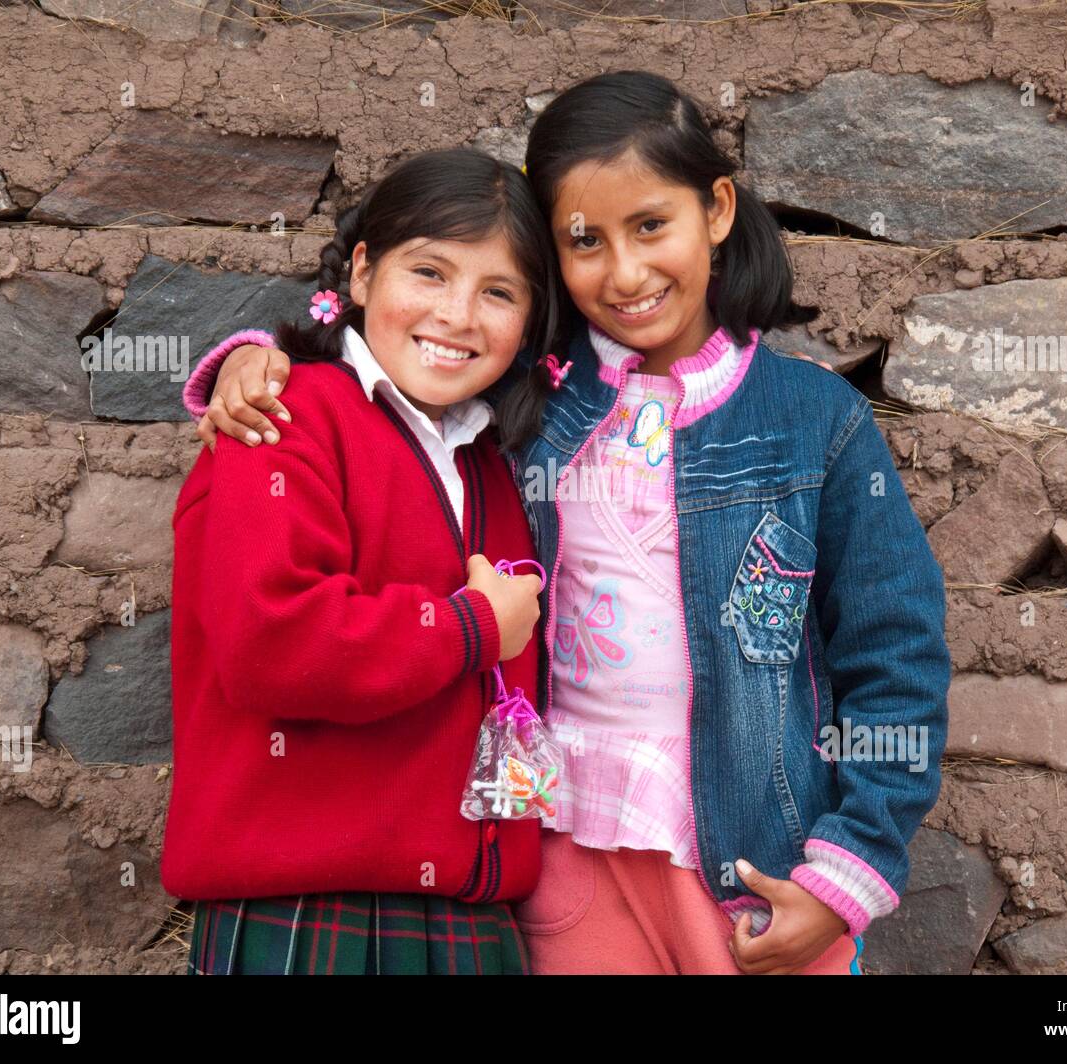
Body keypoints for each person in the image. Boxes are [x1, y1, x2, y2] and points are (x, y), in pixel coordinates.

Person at [180, 71, 950, 975]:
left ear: (718, 209)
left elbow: (895, 655)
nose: (625, 273)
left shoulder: (814, 421)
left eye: (650, 225)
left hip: (756, 875)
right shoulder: (532, 407)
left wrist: (844, 875)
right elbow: (397, 369)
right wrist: (256, 360)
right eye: (584, 241)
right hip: (562, 861)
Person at [163, 147, 561, 974]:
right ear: (363, 272)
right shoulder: (284, 416)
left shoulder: (490, 459)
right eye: (429, 272)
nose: (457, 315)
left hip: (474, 918)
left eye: (499, 292)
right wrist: (473, 626)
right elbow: (272, 638)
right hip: (311, 914)